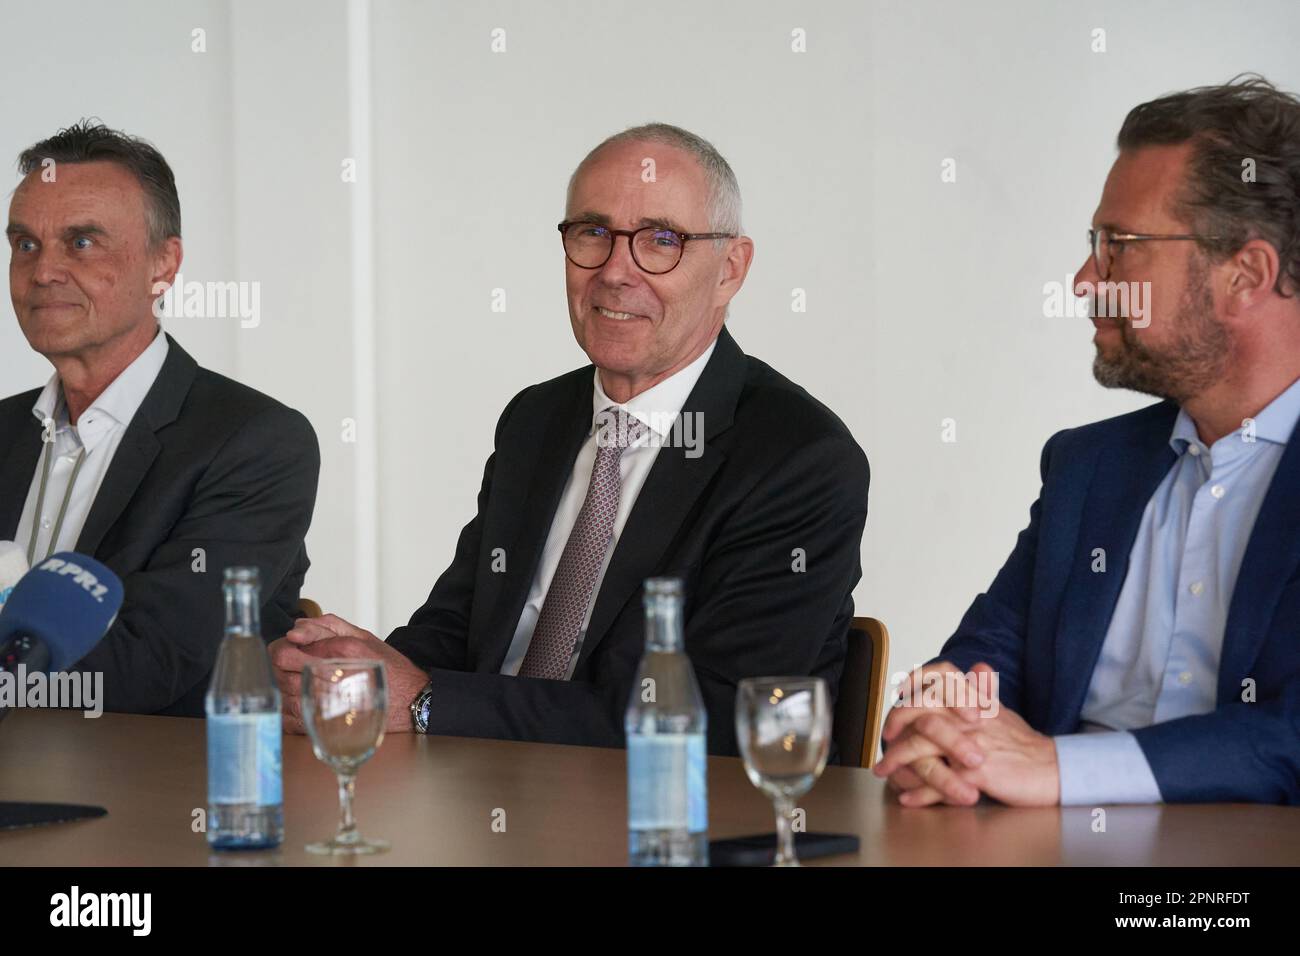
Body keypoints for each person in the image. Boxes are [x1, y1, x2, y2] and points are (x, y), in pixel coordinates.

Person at [271, 123, 870, 756]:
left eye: (660, 241)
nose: (615, 271)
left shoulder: (797, 459)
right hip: (479, 801)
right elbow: (460, 629)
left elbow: (717, 720)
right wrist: (351, 671)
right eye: (592, 233)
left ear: (730, 269)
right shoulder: (538, 418)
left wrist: (422, 702)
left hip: (662, 829)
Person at [875, 76, 1300, 806]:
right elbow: (992, 652)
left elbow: (1288, 740)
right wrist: (947, 719)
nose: (1083, 280)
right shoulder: (1087, 466)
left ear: (1246, 274)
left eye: (1119, 247)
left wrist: (1056, 769)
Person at [0, 121, 320, 716]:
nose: (43, 272)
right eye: (25, 244)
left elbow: (147, 665)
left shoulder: (257, 442)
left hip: (156, 793)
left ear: (163, 265)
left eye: (82, 243)